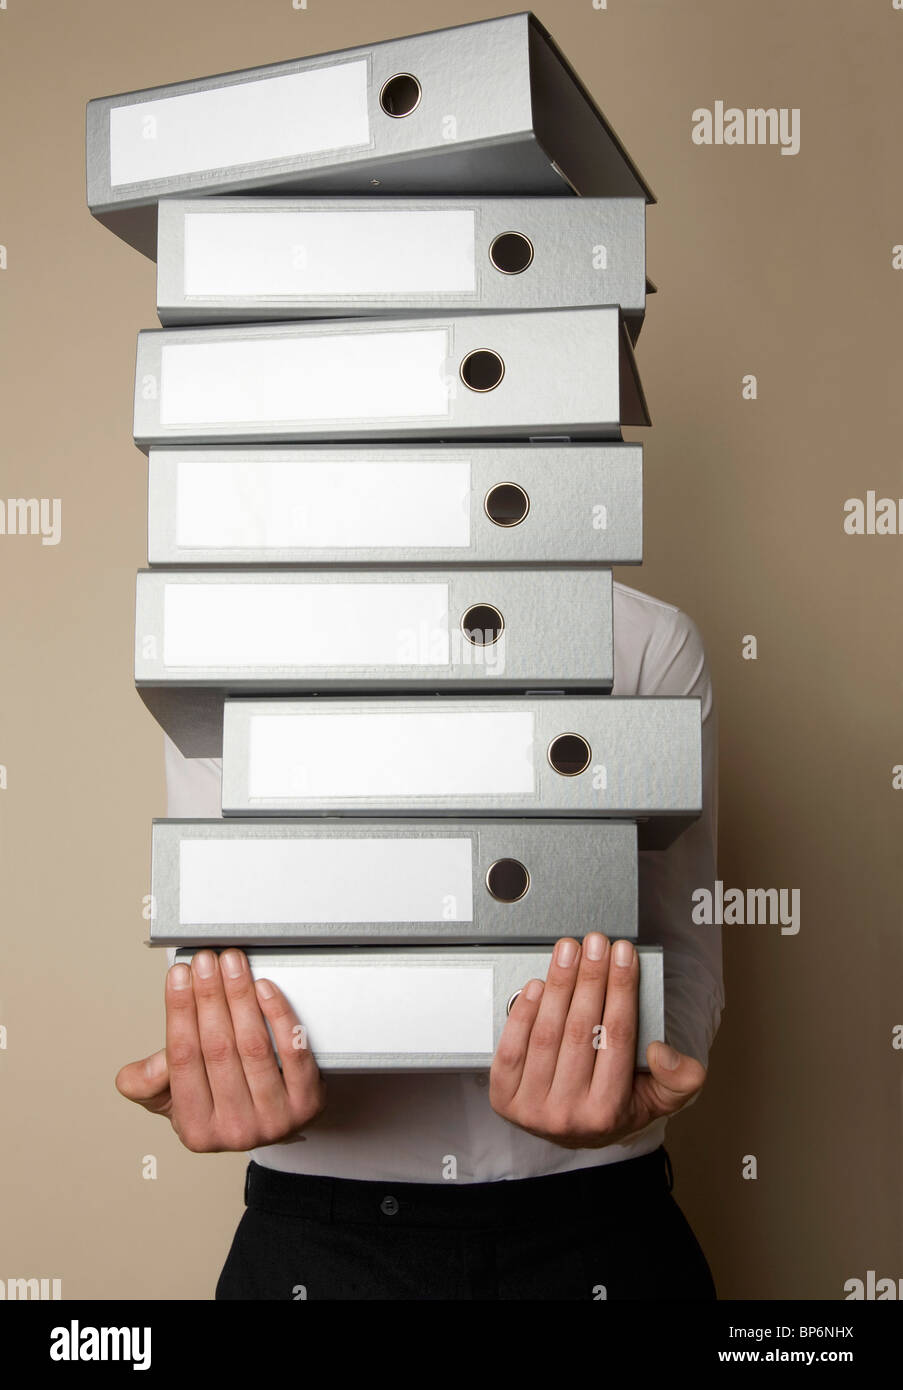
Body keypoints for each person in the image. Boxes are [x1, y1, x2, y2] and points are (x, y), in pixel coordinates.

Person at [116, 580, 723, 1300]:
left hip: (597, 1228)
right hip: (320, 1239)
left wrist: (644, 1071)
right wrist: (224, 1070)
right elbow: (221, 936)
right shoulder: (231, 641)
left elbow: (680, 945)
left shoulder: (644, 639)